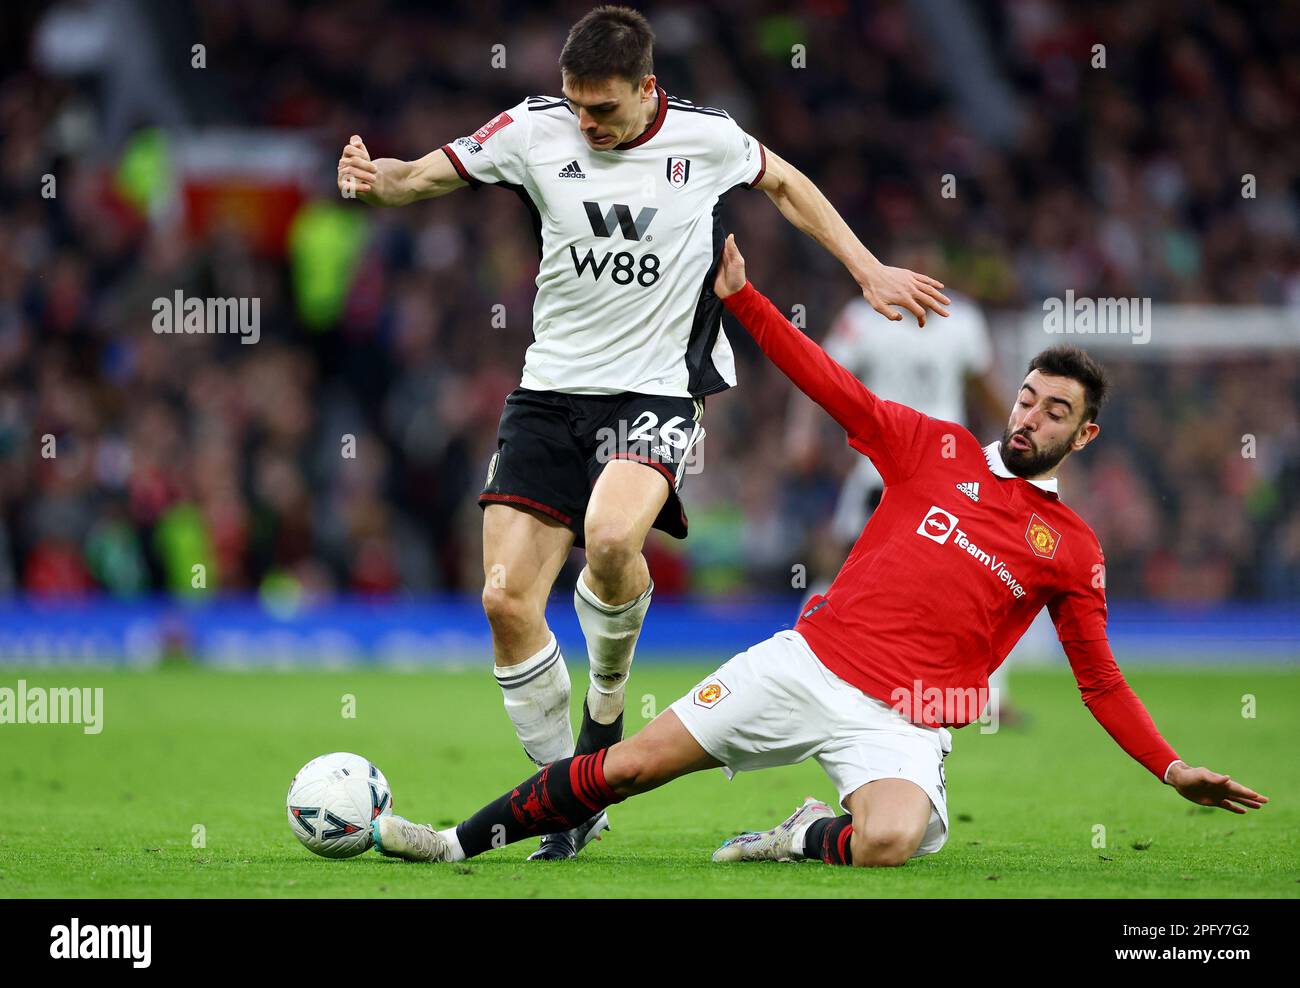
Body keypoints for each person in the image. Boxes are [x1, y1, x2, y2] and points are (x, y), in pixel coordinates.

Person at [369, 234, 1267, 868]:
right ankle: (452, 841)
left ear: (1089, 433)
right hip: (808, 663)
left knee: (888, 842)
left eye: (1055, 411)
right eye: (1029, 398)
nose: (1031, 416)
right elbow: (829, 383)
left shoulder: (1070, 549)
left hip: (906, 717)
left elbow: (1100, 680)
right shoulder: (936, 446)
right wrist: (743, 300)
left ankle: (799, 833)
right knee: (633, 766)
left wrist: (1171, 765)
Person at [336, 6, 949, 859]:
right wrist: (375, 177)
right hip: (549, 391)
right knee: (506, 601)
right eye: (576, 106)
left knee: (612, 537)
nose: (587, 125)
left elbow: (786, 183)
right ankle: (571, 797)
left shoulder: (706, 138)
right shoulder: (532, 129)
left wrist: (868, 267)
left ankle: (608, 704)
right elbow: (424, 176)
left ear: (647, 89)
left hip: (656, 391)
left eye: (605, 111)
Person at [786, 243, 1026, 726]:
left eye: (931, 271)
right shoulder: (864, 317)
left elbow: (986, 386)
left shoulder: (964, 321)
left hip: (951, 474)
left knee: (966, 574)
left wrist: (1020, 439)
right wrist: (802, 431)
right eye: (914, 270)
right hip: (882, 467)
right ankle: (798, 660)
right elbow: (821, 372)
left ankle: (988, 695)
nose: (923, 279)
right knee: (847, 561)